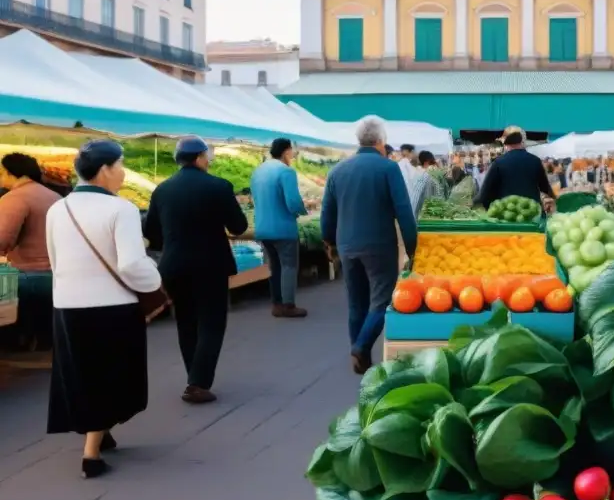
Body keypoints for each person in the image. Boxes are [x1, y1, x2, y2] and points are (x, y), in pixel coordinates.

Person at [46, 140, 163, 478]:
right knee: (111, 374)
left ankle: (100, 432)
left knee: (80, 373)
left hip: (67, 304)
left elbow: (55, 259)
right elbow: (131, 265)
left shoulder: (58, 208)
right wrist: (155, 276)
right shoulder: (121, 209)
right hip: (111, 306)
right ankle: (91, 454)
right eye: (121, 164)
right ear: (105, 170)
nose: (124, 172)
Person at [144, 137, 249, 405]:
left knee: (186, 321)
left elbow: (151, 231)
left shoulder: (162, 189)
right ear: (201, 158)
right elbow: (238, 226)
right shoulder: (219, 186)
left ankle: (193, 375)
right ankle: (198, 382)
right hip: (211, 265)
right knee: (212, 322)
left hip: (174, 265)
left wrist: (169, 243)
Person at [321, 116, 417, 375]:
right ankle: (361, 346)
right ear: (381, 140)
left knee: (356, 302)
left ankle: (359, 357)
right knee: (383, 299)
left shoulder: (337, 170)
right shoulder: (388, 168)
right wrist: (412, 249)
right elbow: (404, 212)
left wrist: (328, 242)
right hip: (379, 244)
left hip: (346, 245)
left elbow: (327, 213)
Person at [0, 153, 60, 349]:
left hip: (27, 276)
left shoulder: (15, 198)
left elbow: (2, 239)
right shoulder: (54, 196)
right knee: (46, 331)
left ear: (10, 173)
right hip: (56, 276)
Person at [249, 138, 309, 317]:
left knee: (274, 266)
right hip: (283, 228)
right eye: (291, 151)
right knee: (289, 265)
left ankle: (276, 304)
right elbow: (293, 202)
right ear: (286, 152)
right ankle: (289, 305)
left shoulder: (258, 171)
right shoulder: (286, 172)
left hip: (262, 227)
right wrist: (301, 211)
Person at [477, 126, 554, 208]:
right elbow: (545, 189)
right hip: (532, 212)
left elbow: (484, 194)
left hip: (508, 213)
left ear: (505, 144)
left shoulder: (498, 163)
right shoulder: (536, 161)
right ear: (522, 141)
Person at [409, 151, 440, 217]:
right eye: (432, 163)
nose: (434, 166)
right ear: (427, 162)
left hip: (411, 212)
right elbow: (430, 199)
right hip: (422, 215)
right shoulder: (427, 176)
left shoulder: (414, 172)